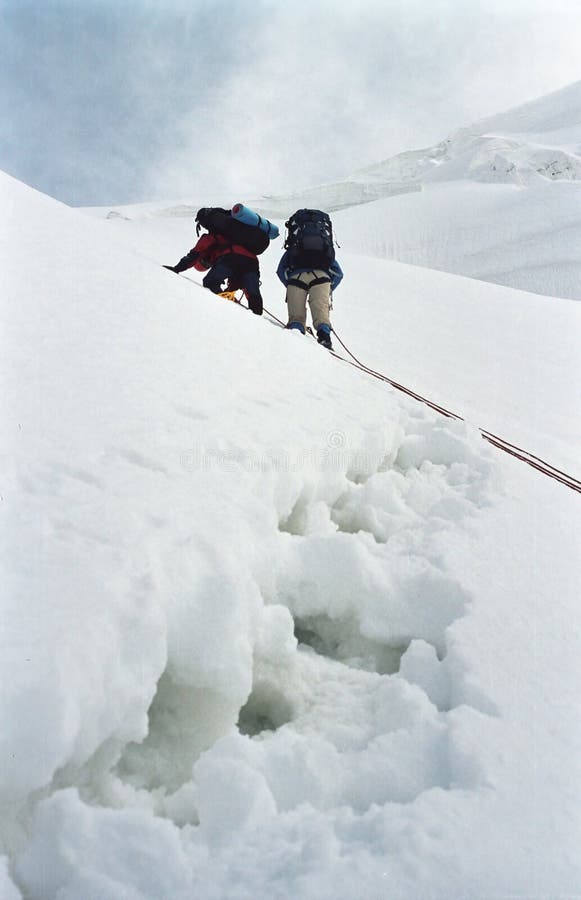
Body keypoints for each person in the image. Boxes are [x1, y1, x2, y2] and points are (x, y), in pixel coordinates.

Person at [276, 209, 343, 349]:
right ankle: (324, 337)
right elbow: (338, 273)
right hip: (321, 277)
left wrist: (289, 285)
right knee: (321, 312)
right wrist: (328, 288)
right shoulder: (324, 247)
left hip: (296, 278)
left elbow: (280, 270)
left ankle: (297, 341)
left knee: (296, 318)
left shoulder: (294, 246)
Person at [164, 228, 263, 315]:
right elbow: (237, 279)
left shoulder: (211, 238)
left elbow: (194, 255)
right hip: (252, 262)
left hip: (232, 257)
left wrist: (177, 268)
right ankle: (258, 316)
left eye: (206, 264)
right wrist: (229, 291)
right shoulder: (231, 240)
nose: (209, 265)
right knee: (253, 296)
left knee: (210, 281)